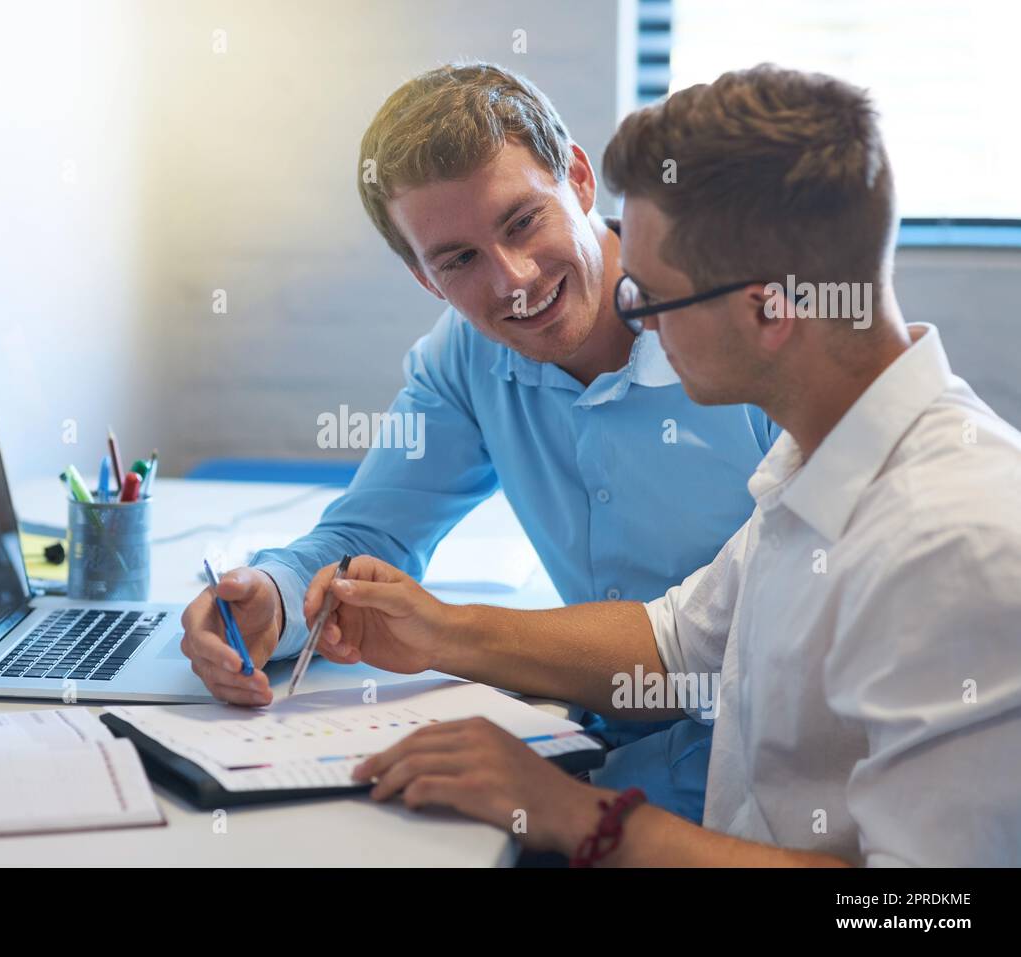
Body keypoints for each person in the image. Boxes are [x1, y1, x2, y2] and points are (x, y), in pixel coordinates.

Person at [303, 64, 1021, 866]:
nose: (631, 317)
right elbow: (678, 643)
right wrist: (440, 631)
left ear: (769, 310)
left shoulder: (959, 545)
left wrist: (584, 818)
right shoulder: (817, 458)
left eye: (650, 295)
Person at [179, 62, 779, 822]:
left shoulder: (743, 335)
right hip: (597, 752)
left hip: (748, 786)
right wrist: (272, 595)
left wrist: (450, 636)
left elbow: (747, 641)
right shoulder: (467, 355)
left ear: (581, 179)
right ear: (423, 277)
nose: (513, 281)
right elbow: (370, 532)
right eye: (458, 259)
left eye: (522, 220)